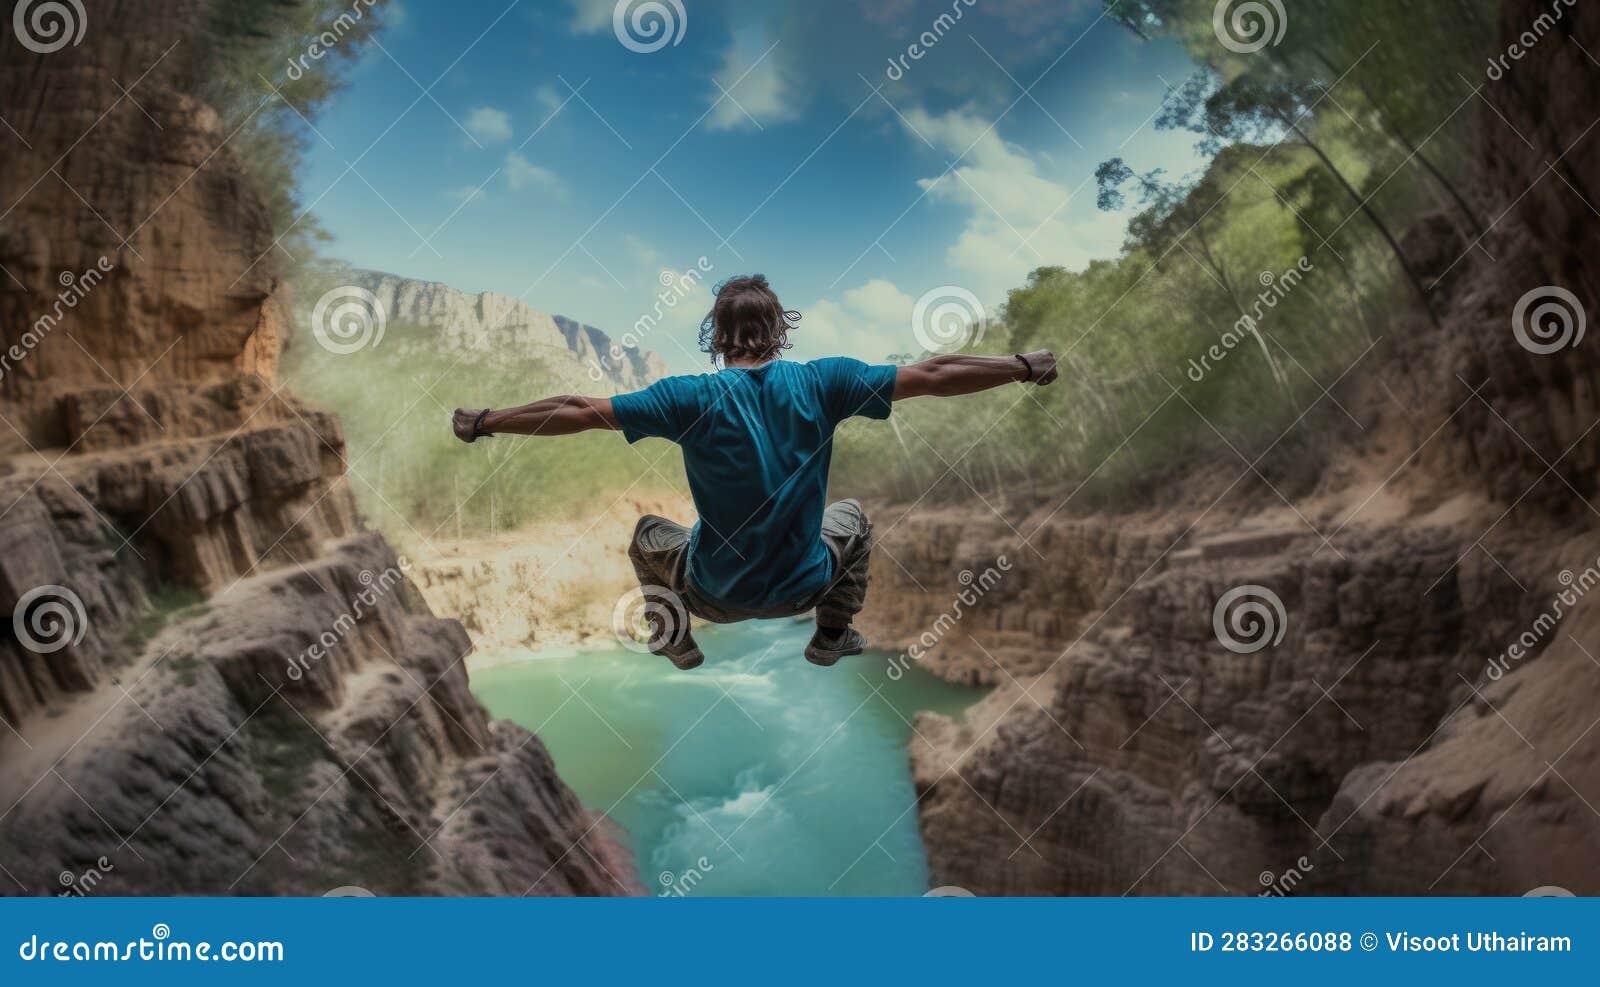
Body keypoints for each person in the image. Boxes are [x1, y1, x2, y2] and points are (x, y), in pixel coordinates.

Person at [453, 274, 1058, 669]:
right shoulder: (826, 380)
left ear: (717, 338)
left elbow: (578, 410)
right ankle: (830, 635)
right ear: (780, 332)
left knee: (646, 535)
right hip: (804, 586)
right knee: (851, 519)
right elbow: (933, 375)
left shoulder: (686, 396)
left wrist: (486, 419)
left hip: (714, 593)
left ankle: (673, 635)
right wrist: (1020, 365)